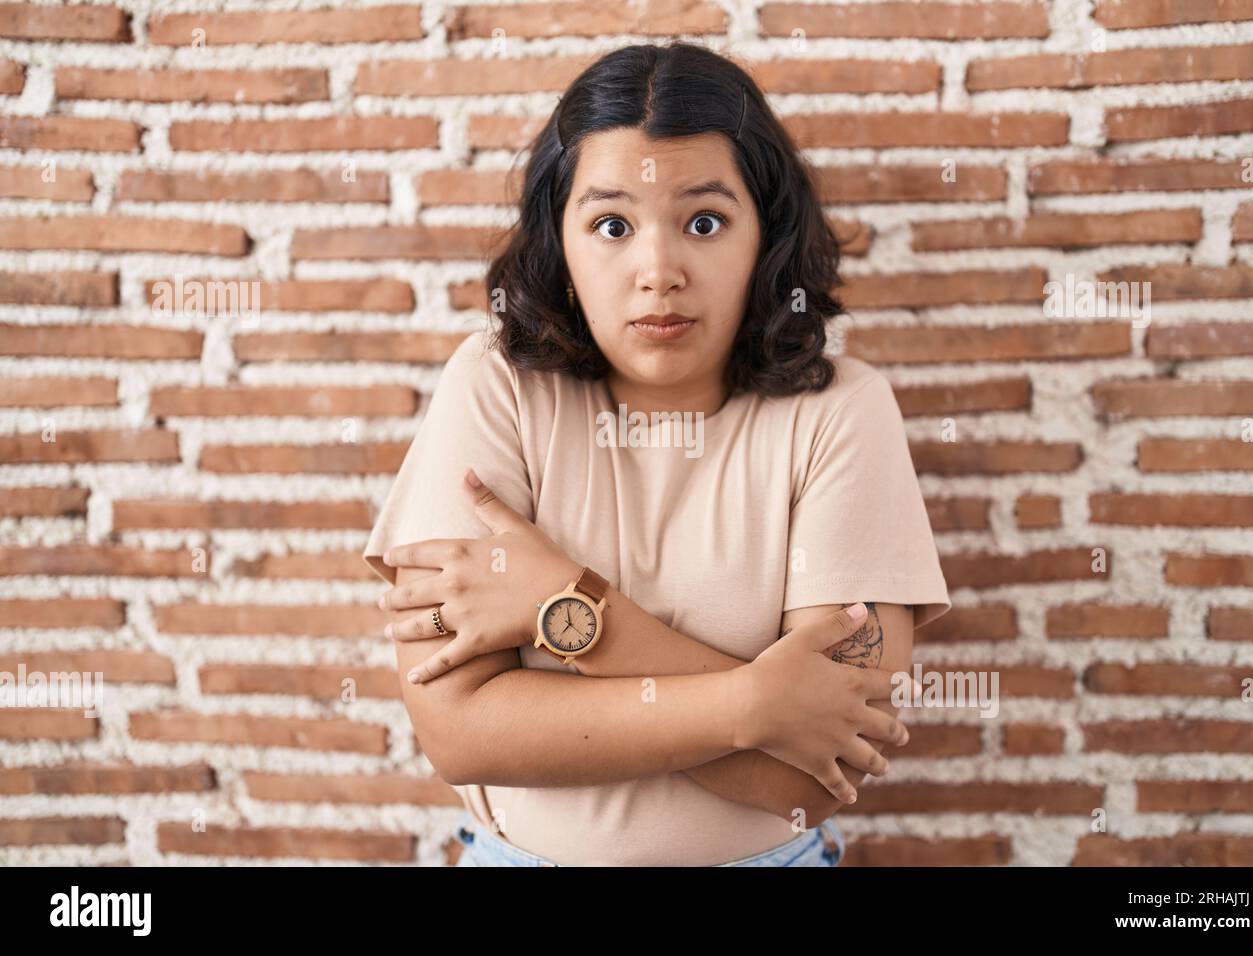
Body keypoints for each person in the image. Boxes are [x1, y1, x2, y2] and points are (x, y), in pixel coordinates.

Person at [363, 40, 951, 866]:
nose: (658, 270)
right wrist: (754, 703)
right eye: (611, 225)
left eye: (704, 221)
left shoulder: (840, 412)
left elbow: (813, 782)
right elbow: (459, 732)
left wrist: (568, 611)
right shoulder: (496, 385)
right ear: (559, 243)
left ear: (766, 236)